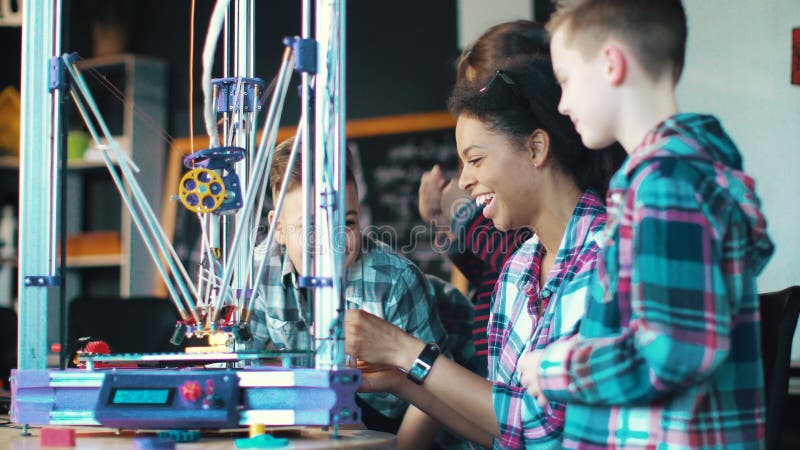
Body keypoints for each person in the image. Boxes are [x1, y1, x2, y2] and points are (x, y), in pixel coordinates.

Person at [519, 1, 775, 449]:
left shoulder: (664, 185)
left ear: (611, 64)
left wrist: (554, 367)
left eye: (565, 80)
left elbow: (674, 351)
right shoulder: (674, 178)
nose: (562, 104)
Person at [345, 55, 616, 449]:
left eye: (475, 159)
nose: (465, 180)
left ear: (537, 148)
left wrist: (404, 349)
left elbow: (546, 429)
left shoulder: (610, 257)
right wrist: (402, 382)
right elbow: (501, 432)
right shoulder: (518, 269)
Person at [419, 21, 625, 370]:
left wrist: (461, 216)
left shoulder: (601, 252)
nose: (466, 178)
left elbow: (538, 417)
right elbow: (487, 270)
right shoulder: (522, 264)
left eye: (484, 92)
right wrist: (444, 224)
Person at [249, 138, 476, 442]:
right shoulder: (259, 272)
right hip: (338, 406)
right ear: (278, 228)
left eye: (347, 222)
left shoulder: (394, 279)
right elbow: (251, 363)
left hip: (422, 411)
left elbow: (435, 390)